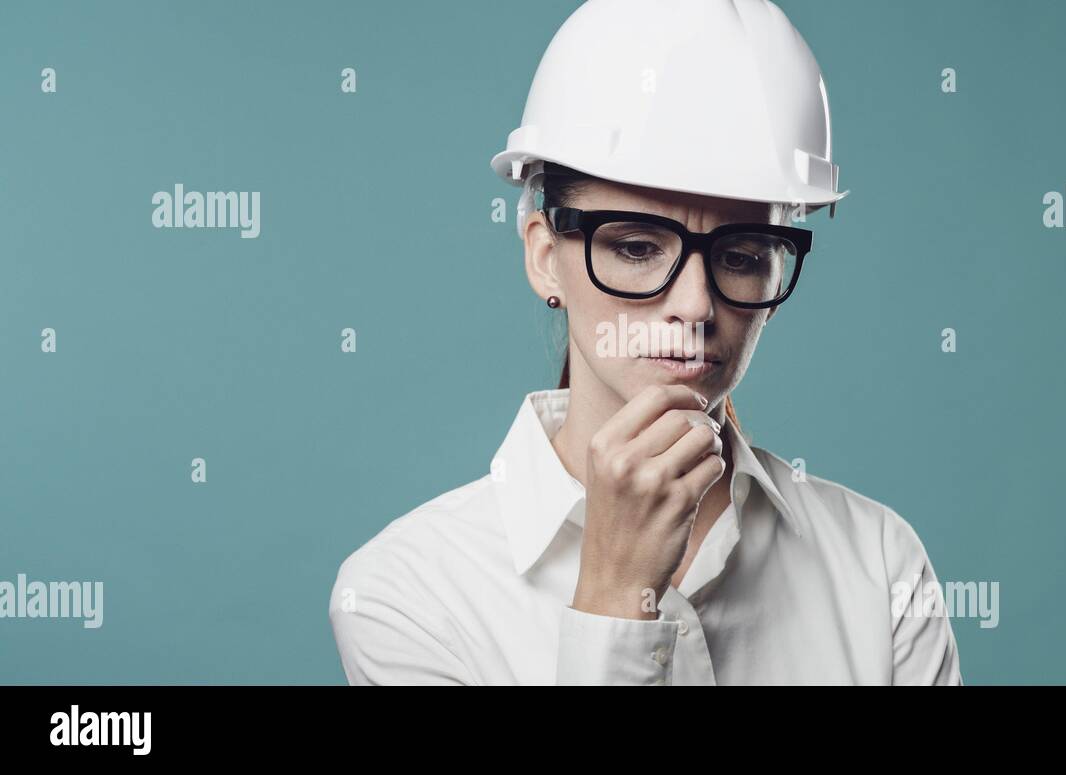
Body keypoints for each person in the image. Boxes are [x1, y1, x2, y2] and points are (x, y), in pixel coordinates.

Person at [330, 0, 962, 685]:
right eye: (635, 246)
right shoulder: (407, 593)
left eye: (744, 255)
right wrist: (613, 597)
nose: (695, 304)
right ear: (545, 257)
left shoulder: (879, 562)